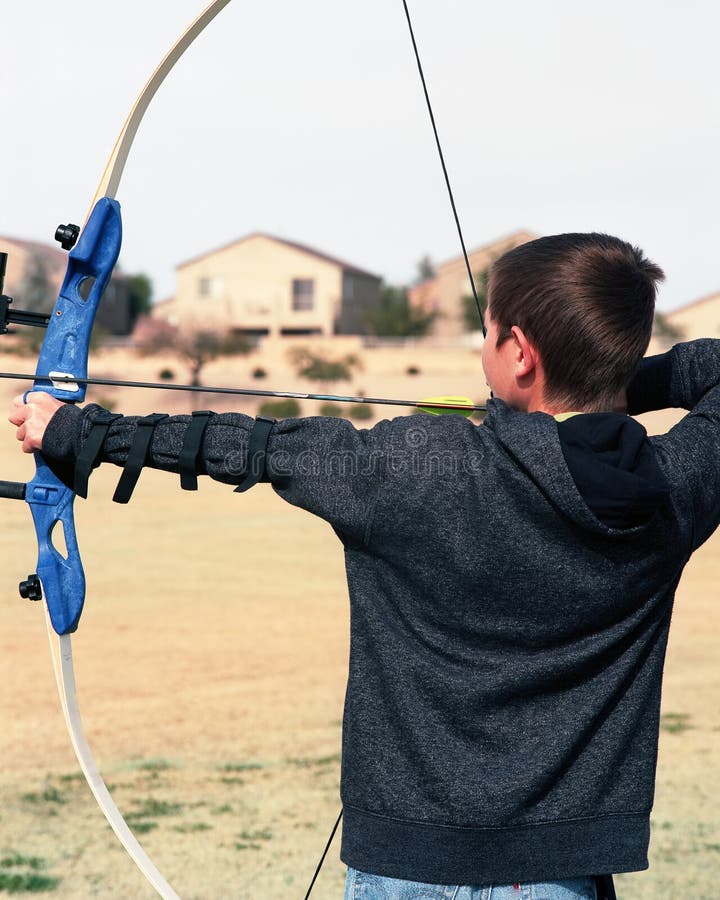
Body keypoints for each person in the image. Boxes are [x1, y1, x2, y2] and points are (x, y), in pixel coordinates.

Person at [10, 233, 720, 900]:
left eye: (489, 333)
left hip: (403, 865)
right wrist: (604, 380)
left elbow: (247, 446)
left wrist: (74, 430)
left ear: (520, 354)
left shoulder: (419, 465)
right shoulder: (674, 489)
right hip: (561, 873)